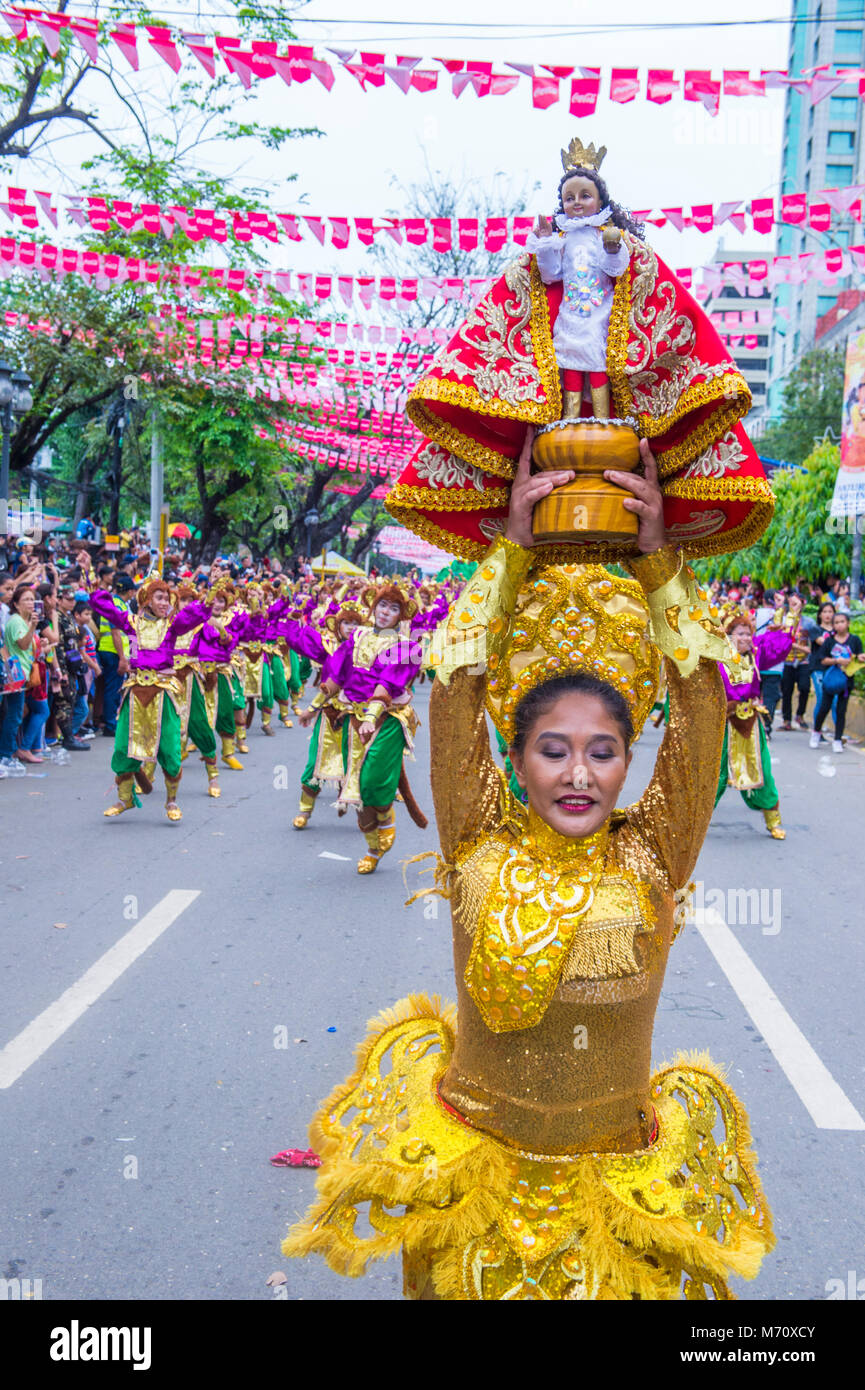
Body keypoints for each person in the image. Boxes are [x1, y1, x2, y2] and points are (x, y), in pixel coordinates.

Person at [283, 436, 775, 1300]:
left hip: (613, 1194)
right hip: (472, 1181)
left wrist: (659, 560)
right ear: (515, 757)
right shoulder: (476, 836)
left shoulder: (652, 849)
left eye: (602, 751)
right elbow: (454, 685)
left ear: (629, 762)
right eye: (553, 750)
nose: (578, 773)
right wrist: (509, 547)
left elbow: (702, 703)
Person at [88, 576, 215, 820]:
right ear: (146, 600)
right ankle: (125, 799)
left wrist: (208, 601)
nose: (165, 602)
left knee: (169, 746)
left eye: (167, 598)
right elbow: (110, 613)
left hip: (163, 693)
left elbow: (194, 617)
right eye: (159, 597)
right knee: (123, 746)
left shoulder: (172, 625)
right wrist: (98, 592)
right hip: (135, 692)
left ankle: (171, 801)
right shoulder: (132, 623)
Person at [526, 141, 634, 419]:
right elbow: (551, 275)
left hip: (600, 318)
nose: (576, 203)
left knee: (598, 369)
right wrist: (546, 242)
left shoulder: (605, 234)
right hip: (570, 318)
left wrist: (612, 248)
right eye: (569, 197)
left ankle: (602, 423)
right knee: (570, 369)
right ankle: (568, 424)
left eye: (585, 196)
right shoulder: (563, 238)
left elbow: (616, 270)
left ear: (600, 200)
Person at [715, 611, 793, 839]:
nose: (746, 638)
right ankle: (694, 823)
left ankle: (773, 821)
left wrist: (788, 617)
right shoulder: (717, 657)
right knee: (714, 776)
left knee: (763, 772)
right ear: (729, 636)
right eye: (740, 634)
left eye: (749, 634)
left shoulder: (756, 655)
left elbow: (779, 647)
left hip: (750, 723)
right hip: (724, 724)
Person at [809, 611, 865, 752]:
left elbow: (858, 656)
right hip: (831, 679)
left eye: (842, 622)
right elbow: (822, 659)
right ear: (833, 625)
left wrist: (858, 658)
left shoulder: (855, 640)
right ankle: (816, 732)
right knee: (824, 707)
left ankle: (838, 739)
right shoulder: (830, 641)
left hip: (846, 680)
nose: (840, 625)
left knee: (841, 710)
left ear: (848, 623)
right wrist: (837, 661)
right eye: (837, 622)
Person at [778, 592, 817, 731]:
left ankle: (800, 715)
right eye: (791, 603)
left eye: (796, 603)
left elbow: (815, 642)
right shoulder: (783, 621)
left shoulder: (809, 623)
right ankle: (786, 720)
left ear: (803, 604)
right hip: (787, 662)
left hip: (803, 662)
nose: (793, 606)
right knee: (786, 691)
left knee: (805, 688)